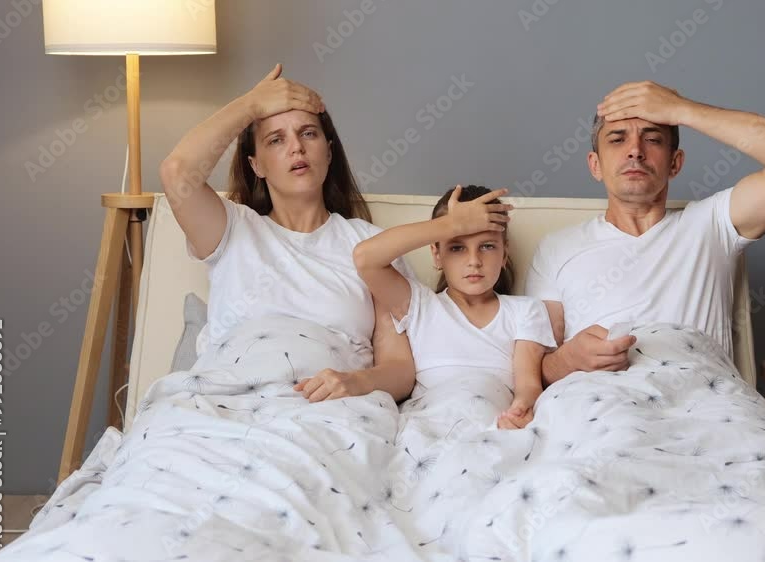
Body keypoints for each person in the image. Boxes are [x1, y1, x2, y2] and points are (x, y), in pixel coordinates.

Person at [526, 80, 765, 384]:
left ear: (675, 163)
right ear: (595, 165)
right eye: (617, 139)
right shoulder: (556, 248)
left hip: (703, 402)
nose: (635, 151)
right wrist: (567, 359)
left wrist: (682, 109)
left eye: (652, 139)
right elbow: (533, 371)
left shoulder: (712, 224)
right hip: (599, 406)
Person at [159, 63, 416, 401]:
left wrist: (356, 383)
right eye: (276, 140)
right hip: (223, 407)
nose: (297, 148)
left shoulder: (370, 247)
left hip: (323, 412)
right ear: (256, 165)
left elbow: (400, 367)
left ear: (329, 149)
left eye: (308, 133)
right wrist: (251, 104)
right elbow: (177, 172)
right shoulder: (232, 230)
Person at [353, 185, 556, 429]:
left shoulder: (525, 311)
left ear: (504, 254)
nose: (474, 261)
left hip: (492, 424)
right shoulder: (419, 305)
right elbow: (366, 258)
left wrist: (521, 408)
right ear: (437, 255)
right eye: (457, 247)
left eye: (487, 246)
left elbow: (528, 384)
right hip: (430, 425)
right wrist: (451, 225)